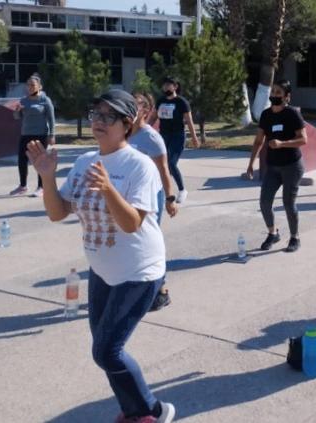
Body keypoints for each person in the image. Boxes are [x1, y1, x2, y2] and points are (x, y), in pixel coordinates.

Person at [26, 89, 176, 423]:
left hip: (139, 272)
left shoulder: (140, 166)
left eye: (109, 116)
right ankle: (134, 410)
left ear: (127, 123)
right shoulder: (83, 162)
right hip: (103, 271)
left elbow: (132, 223)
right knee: (106, 351)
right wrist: (47, 177)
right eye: (95, 114)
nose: (99, 122)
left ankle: (152, 412)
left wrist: (109, 189)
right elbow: (57, 212)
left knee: (107, 350)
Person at [130, 91, 179, 313]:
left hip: (151, 198)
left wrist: (170, 198)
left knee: (148, 244)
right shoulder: (122, 133)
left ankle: (160, 290)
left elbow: (164, 171)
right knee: (130, 244)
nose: (130, 108)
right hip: (127, 196)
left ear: (147, 111)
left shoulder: (151, 138)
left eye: (136, 105)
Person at [247, 80, 308, 253]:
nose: (274, 95)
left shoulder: (292, 114)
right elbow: (259, 140)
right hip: (272, 166)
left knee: (289, 203)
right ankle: (273, 233)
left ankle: (295, 237)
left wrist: (282, 143)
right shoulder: (266, 115)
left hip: (292, 166)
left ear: (287, 97)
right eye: (273, 92)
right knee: (265, 202)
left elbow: (303, 139)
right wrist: (251, 163)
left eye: (278, 92)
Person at [151, 77, 200, 204]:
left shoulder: (181, 102)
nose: (166, 87)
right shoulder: (160, 101)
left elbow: (189, 121)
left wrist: (194, 137)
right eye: (164, 85)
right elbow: (153, 118)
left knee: (171, 163)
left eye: (169, 85)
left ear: (175, 86)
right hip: (163, 136)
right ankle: (163, 191)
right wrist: (141, 129)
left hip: (177, 136)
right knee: (162, 165)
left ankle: (182, 190)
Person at [10, 75, 56, 197]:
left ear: (39, 86)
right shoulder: (24, 100)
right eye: (28, 85)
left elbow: (51, 119)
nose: (30, 87)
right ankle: (23, 186)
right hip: (25, 134)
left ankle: (41, 187)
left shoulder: (45, 100)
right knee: (22, 160)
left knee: (40, 161)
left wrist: (52, 135)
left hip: (40, 135)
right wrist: (17, 111)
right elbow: (16, 117)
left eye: (32, 85)